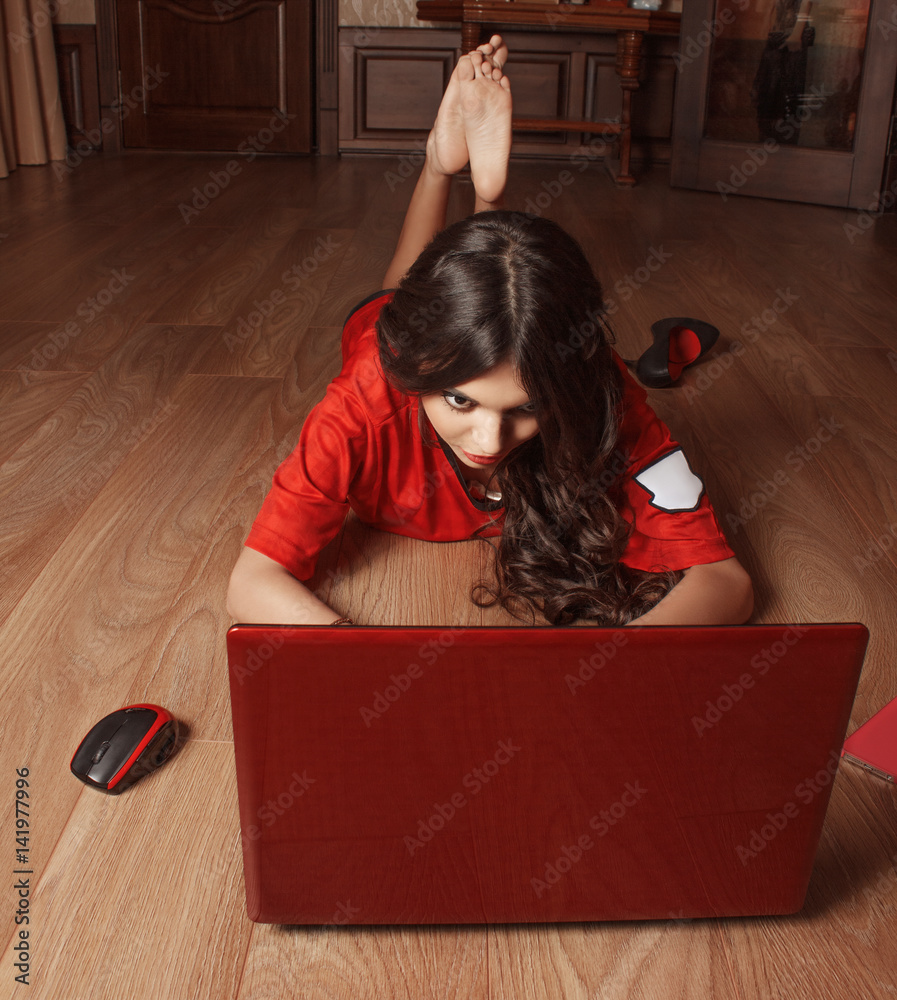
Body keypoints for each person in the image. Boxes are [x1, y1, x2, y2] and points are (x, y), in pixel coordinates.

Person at [227, 37, 753, 628]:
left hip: (495, 336)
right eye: (459, 400)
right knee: (403, 295)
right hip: (394, 331)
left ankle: (481, 193)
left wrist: (616, 665)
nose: (488, 439)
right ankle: (447, 169)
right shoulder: (365, 399)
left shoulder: (599, 389)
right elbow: (253, 582)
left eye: (526, 407)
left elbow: (726, 583)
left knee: (501, 292)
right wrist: (367, 659)